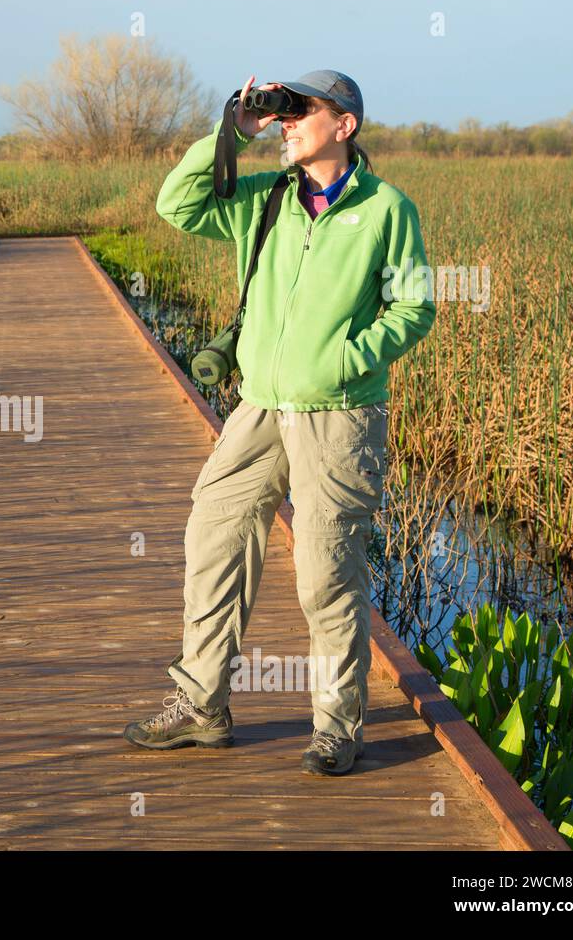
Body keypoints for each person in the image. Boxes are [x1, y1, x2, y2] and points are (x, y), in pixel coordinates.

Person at [125, 70, 435, 775]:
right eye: (282, 111)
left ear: (345, 125)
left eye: (303, 112)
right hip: (260, 405)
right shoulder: (264, 200)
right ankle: (201, 707)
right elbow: (177, 202)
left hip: (340, 414)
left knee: (326, 572)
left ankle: (336, 727)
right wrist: (233, 131)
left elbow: (415, 307)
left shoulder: (387, 210)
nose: (288, 122)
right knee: (214, 535)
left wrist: (346, 359)